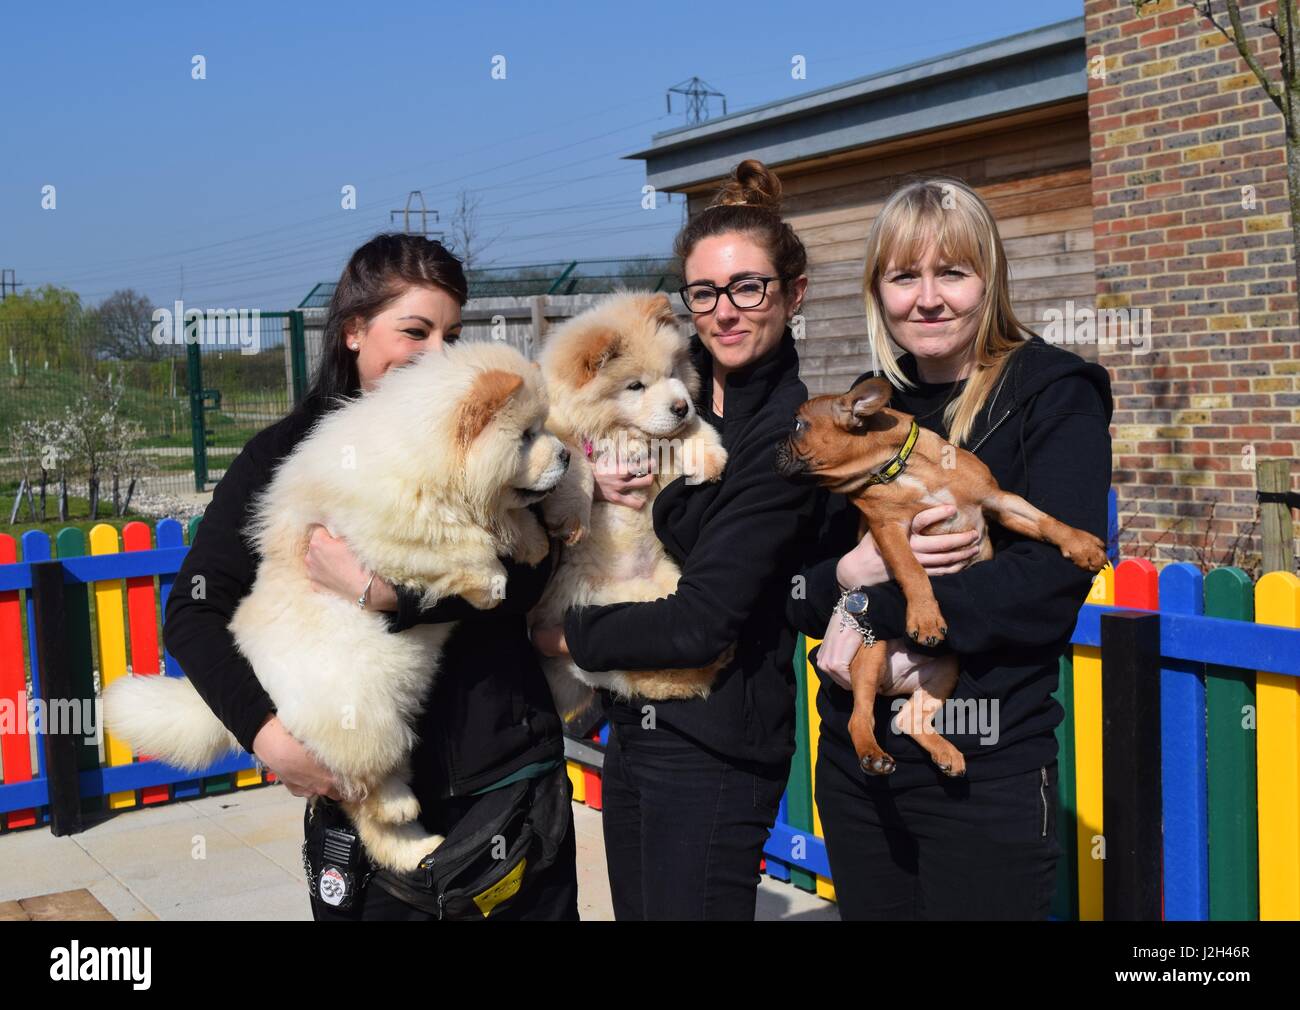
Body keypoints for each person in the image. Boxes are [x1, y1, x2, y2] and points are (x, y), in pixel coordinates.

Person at [163, 233, 579, 921]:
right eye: (414, 330)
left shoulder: (488, 435)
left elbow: (529, 577)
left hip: (506, 783)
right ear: (355, 330)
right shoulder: (284, 455)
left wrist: (389, 596)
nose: (436, 354)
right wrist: (271, 740)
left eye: (451, 332)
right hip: (366, 808)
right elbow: (193, 611)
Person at [786, 177, 1112, 921]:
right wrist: (847, 574)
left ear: (988, 280)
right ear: (879, 291)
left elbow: (1047, 584)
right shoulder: (864, 416)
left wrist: (873, 607)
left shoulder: (1051, 392)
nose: (928, 299)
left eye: (952, 273)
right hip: (853, 759)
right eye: (904, 277)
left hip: (983, 755)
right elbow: (799, 592)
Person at [532, 159, 821, 920]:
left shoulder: (786, 437)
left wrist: (560, 639)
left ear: (793, 294)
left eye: (748, 288)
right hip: (633, 729)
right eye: (706, 293)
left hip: (717, 742)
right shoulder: (686, 400)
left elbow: (700, 622)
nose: (725, 311)